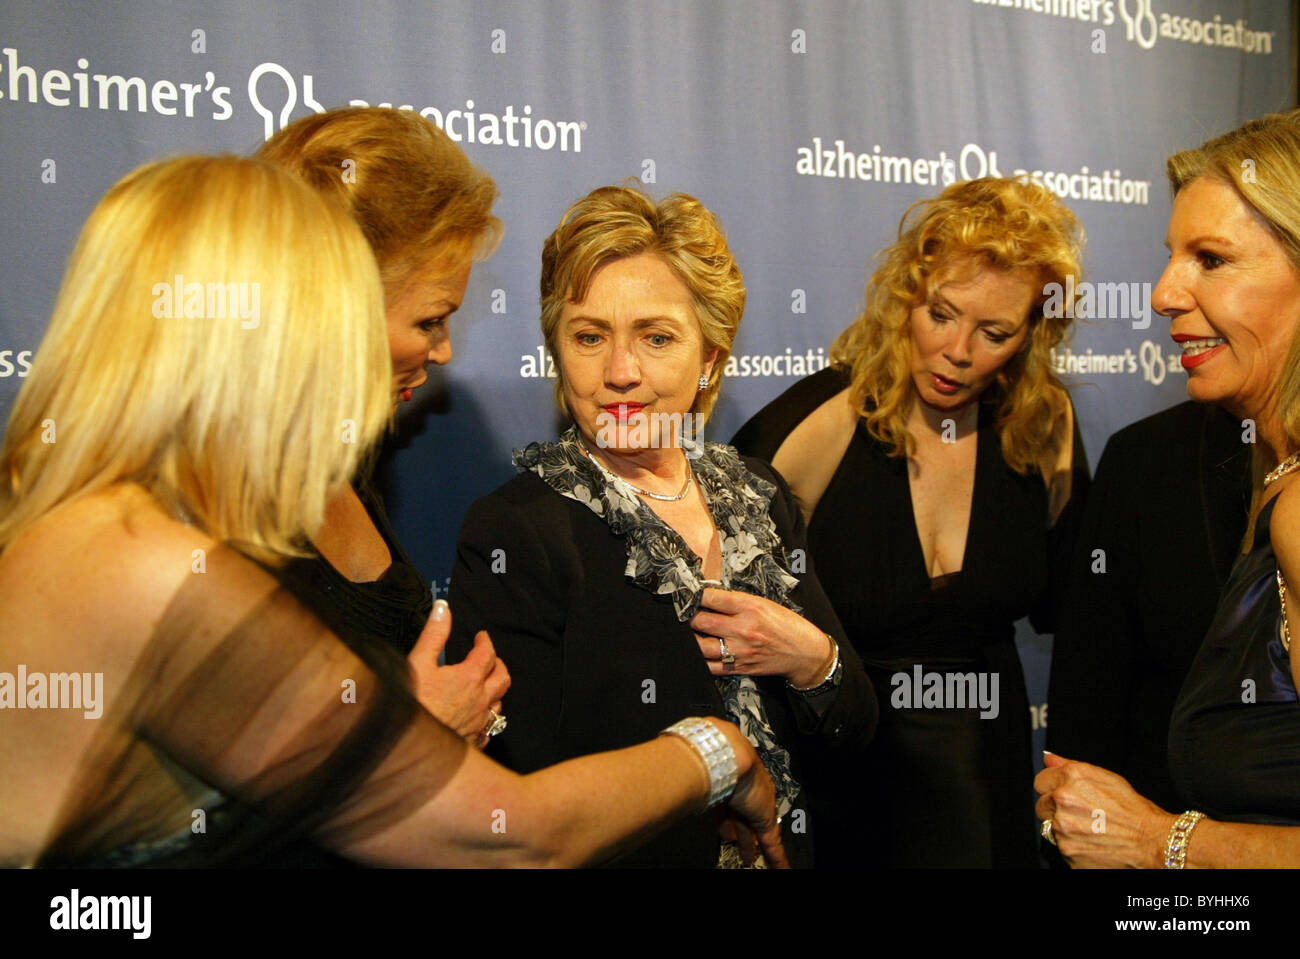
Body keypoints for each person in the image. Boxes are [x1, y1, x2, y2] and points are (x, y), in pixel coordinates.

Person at [0, 155, 787, 868]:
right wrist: (717, 750)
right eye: (336, 308)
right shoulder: (141, 562)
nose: (362, 346)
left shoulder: (118, 528)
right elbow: (514, 834)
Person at [445, 185, 877, 868]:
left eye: (656, 337)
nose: (621, 372)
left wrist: (811, 656)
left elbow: (855, 728)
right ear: (558, 350)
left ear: (709, 357)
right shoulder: (517, 528)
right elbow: (519, 794)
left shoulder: (758, 494)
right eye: (590, 337)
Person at [732, 177, 1090, 868]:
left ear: (1032, 334)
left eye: (994, 332)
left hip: (990, 772)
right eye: (941, 313)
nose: (958, 351)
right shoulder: (821, 423)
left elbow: (1081, 615)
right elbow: (725, 607)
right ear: (906, 296)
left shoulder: (1041, 427)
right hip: (846, 776)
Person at [1038, 109, 1300, 867]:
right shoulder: (1265, 473)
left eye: (1211, 259)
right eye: (1172, 255)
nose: (1161, 293)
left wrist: (1162, 842)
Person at [256, 107, 508, 749]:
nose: (445, 350)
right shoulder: (205, 506)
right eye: (430, 322)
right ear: (333, 309)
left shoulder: (343, 459)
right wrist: (410, 736)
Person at [1046, 400, 1250, 814]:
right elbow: (1090, 681)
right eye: (1168, 325)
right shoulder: (1141, 455)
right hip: (1154, 829)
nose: (1177, 330)